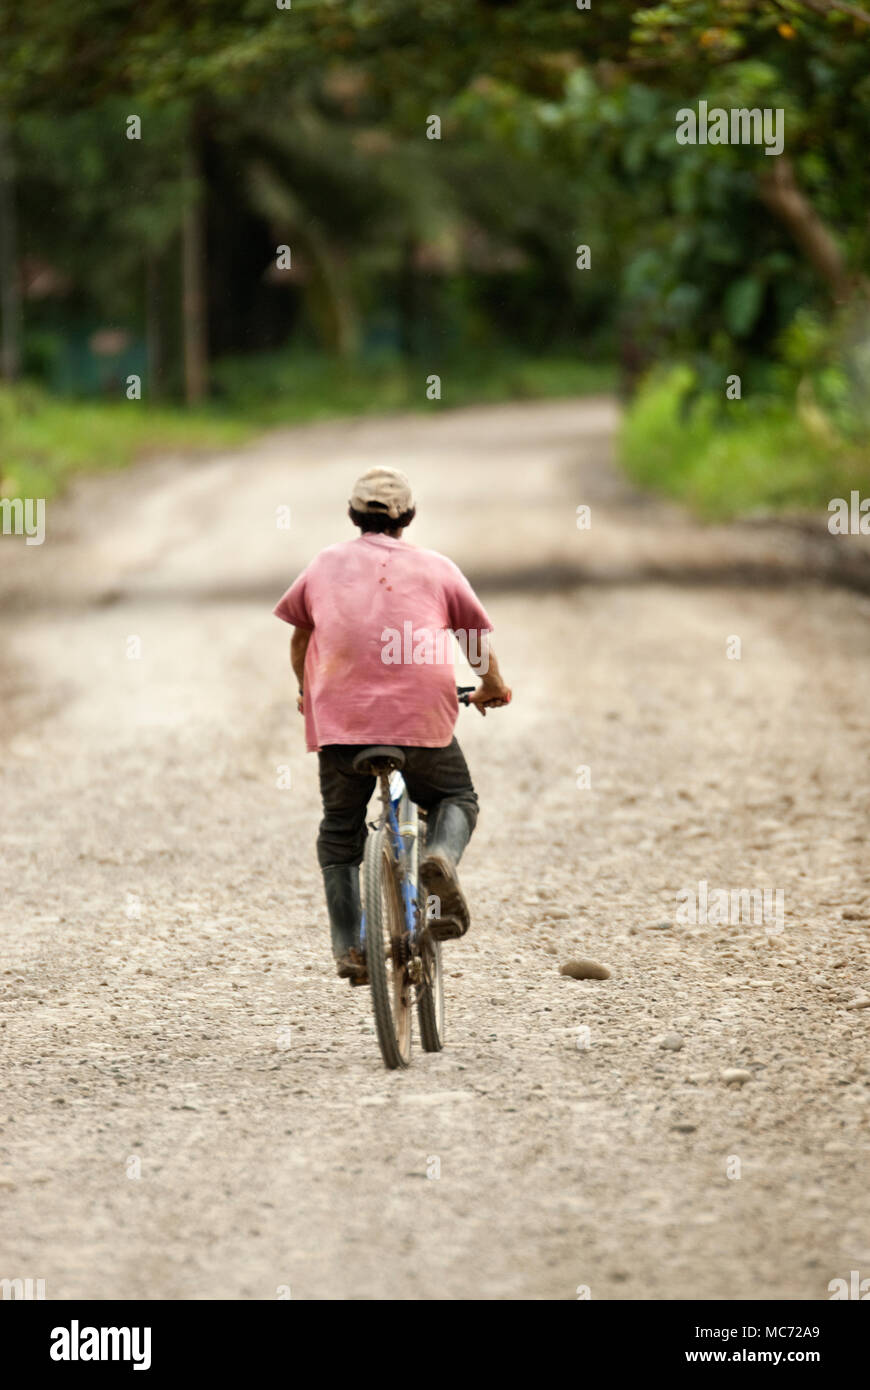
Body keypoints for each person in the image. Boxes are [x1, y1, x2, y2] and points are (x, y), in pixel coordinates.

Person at [273, 466, 511, 981]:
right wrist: (491, 685)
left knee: (340, 833)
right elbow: (472, 638)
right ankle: (441, 859)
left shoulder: (323, 564)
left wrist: (304, 691)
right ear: (410, 517)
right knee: (457, 798)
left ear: (352, 516)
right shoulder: (437, 567)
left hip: (342, 723)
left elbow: (301, 639)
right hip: (421, 719)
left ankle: (349, 948)